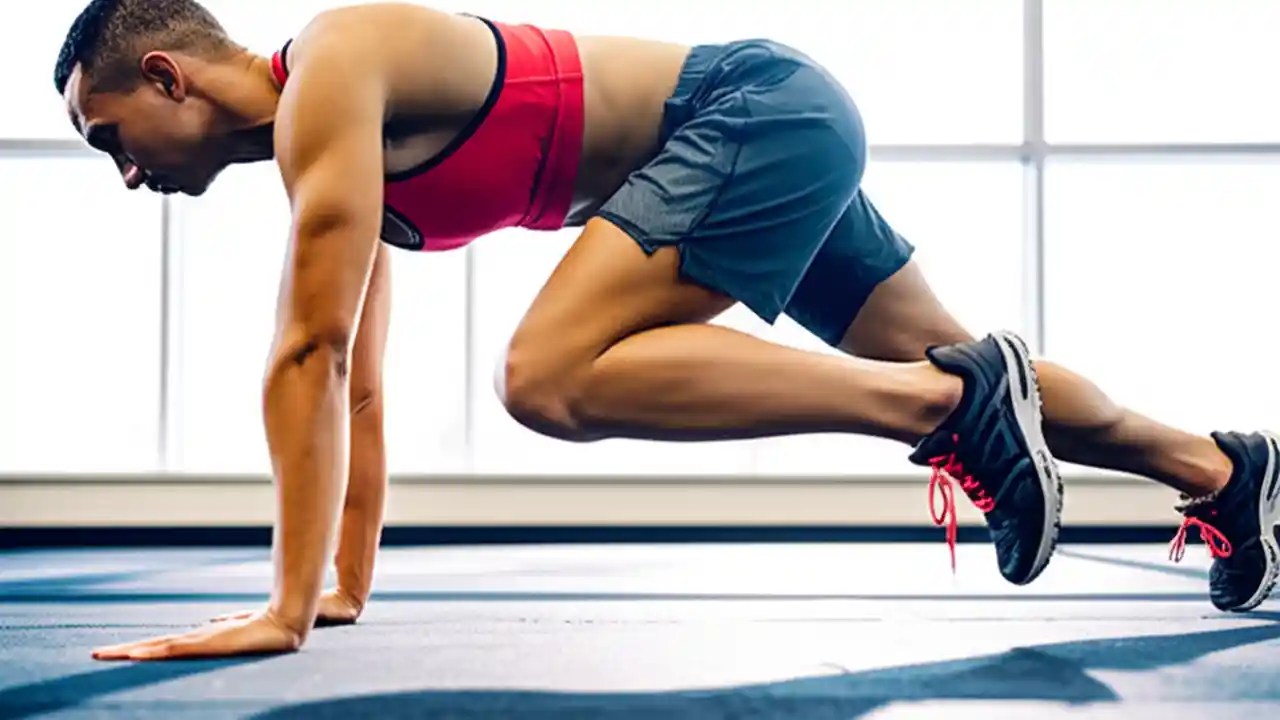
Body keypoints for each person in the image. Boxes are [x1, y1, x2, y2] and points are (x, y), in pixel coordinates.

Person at [55, 0, 1276, 661]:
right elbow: (356, 383)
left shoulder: (331, 67)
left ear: (165, 76)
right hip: (759, 131)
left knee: (547, 376)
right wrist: (336, 589)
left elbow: (304, 348)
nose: (120, 175)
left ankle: (950, 408)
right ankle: (1220, 473)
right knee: (935, 345)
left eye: (108, 138)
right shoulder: (337, 149)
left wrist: (271, 610)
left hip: (744, 112)